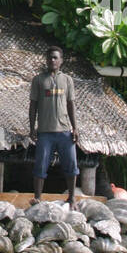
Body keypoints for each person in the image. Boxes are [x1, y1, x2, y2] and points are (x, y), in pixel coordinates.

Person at [29, 45, 80, 205]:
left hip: (64, 131)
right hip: (45, 131)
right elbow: (33, 105)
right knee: (40, 165)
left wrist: (75, 127)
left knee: (71, 164)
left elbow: (71, 104)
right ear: (46, 60)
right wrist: (32, 128)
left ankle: (72, 198)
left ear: (61, 61)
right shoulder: (38, 80)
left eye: (55, 57)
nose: (52, 60)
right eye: (50, 57)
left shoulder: (67, 80)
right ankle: (37, 198)